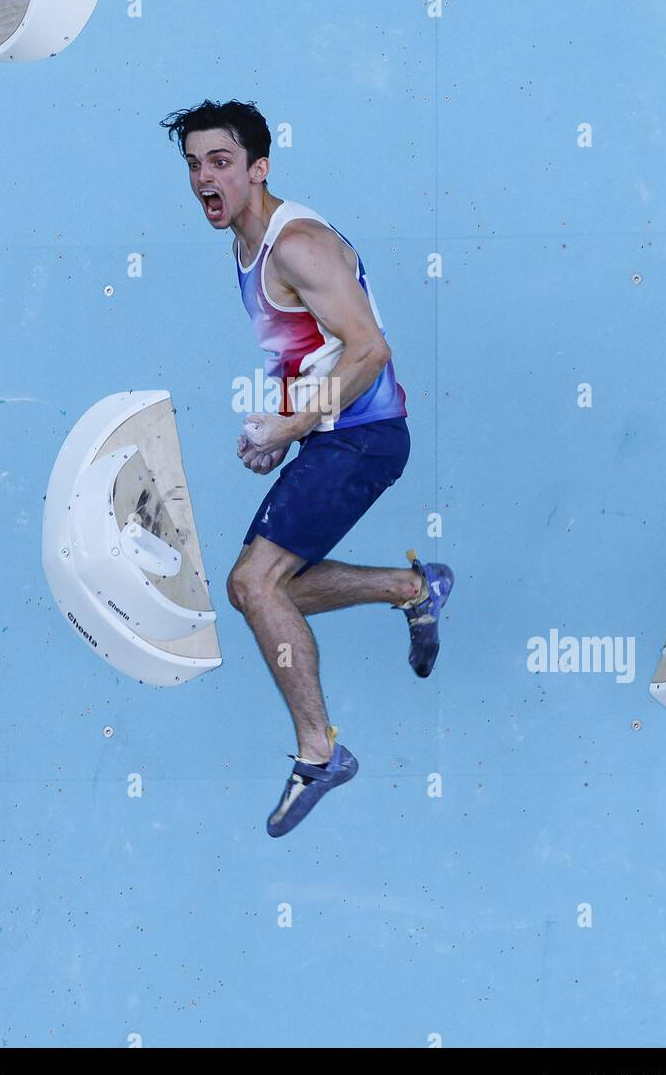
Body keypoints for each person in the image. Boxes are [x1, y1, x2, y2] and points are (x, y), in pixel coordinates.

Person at [160, 98, 454, 836]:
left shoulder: (299, 245)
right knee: (265, 589)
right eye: (194, 164)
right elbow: (313, 351)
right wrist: (282, 438)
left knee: (252, 583)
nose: (204, 177)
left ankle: (320, 754)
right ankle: (415, 588)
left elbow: (369, 350)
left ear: (260, 168)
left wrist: (292, 424)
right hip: (337, 435)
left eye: (220, 162)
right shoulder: (245, 244)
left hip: (366, 435)